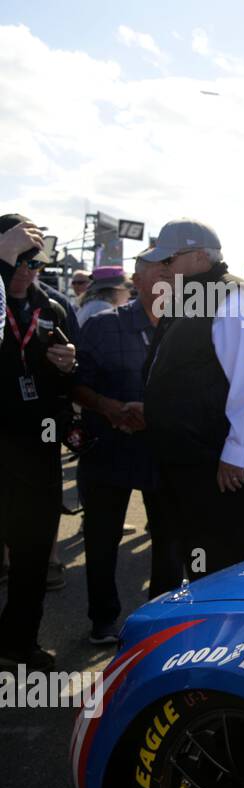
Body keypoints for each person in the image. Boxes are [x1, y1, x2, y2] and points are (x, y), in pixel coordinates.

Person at [140, 219, 244, 590]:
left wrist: (236, 454)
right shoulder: (192, 297)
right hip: (195, 466)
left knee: (226, 568)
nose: (165, 269)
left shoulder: (236, 298)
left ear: (201, 257)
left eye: (170, 259)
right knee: (200, 563)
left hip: (223, 472)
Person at [70, 248, 173, 644]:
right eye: (158, 272)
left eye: (172, 272)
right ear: (138, 280)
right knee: (101, 539)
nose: (167, 280)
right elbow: (76, 384)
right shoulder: (101, 325)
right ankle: (103, 620)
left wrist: (157, 411)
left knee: (168, 542)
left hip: (162, 453)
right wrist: (108, 407)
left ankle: (158, 624)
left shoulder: (187, 328)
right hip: (106, 450)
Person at [0, 213, 78, 671]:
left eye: (35, 259)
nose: (30, 267)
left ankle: (18, 640)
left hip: (36, 452)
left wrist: (68, 364)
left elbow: (72, 377)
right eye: (20, 257)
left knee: (31, 558)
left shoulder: (51, 306)